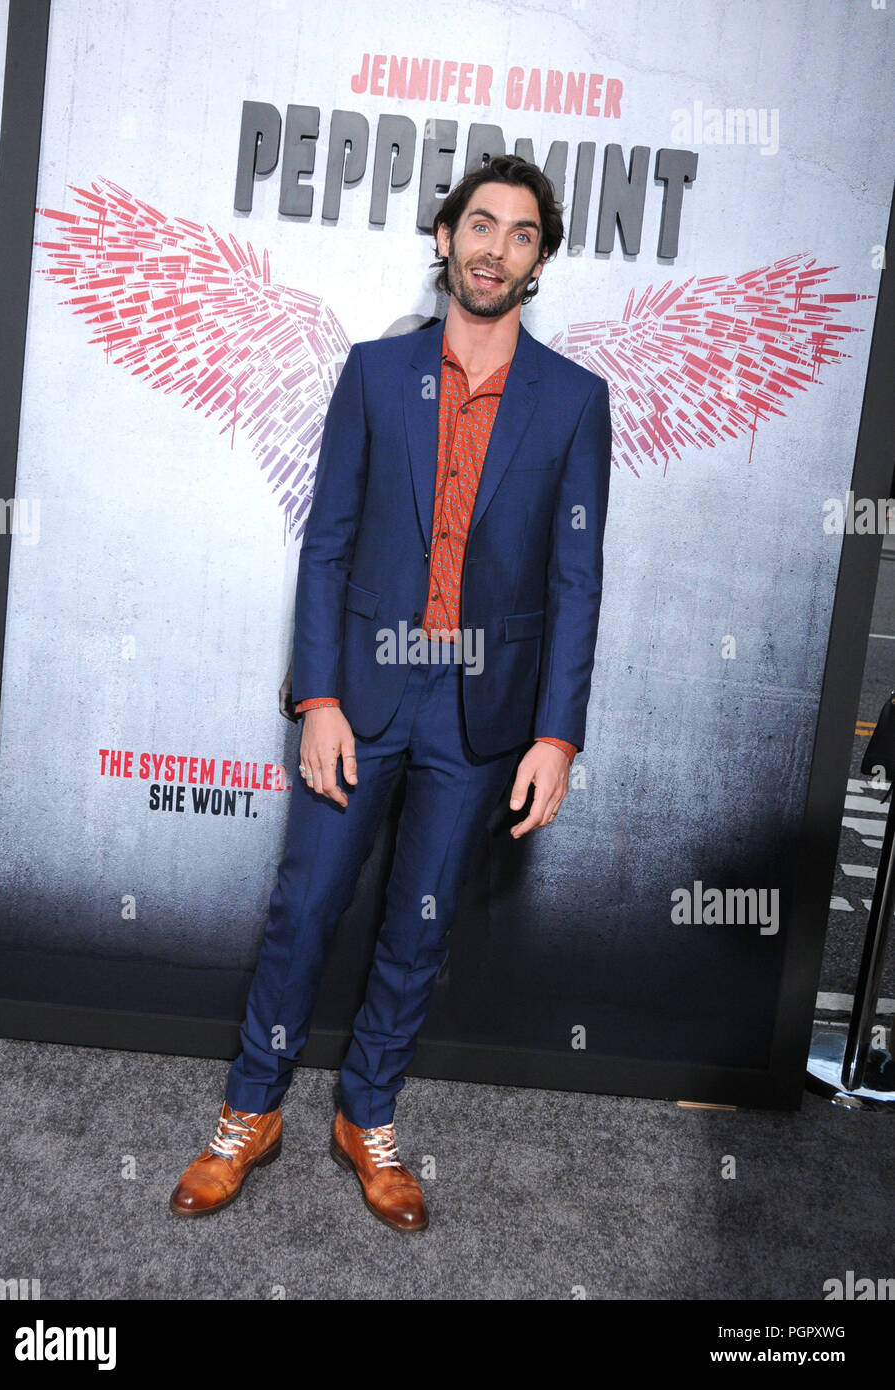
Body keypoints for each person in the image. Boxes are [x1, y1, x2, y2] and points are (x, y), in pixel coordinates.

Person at [169, 154, 612, 1233]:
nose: (495, 248)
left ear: (538, 261)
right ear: (446, 238)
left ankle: (366, 1115)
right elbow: (325, 545)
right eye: (479, 224)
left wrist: (557, 734)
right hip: (364, 695)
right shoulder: (374, 374)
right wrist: (317, 699)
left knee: (420, 927)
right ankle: (250, 1111)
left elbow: (576, 580)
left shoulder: (574, 401)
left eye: (520, 233)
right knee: (306, 906)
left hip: (480, 711)